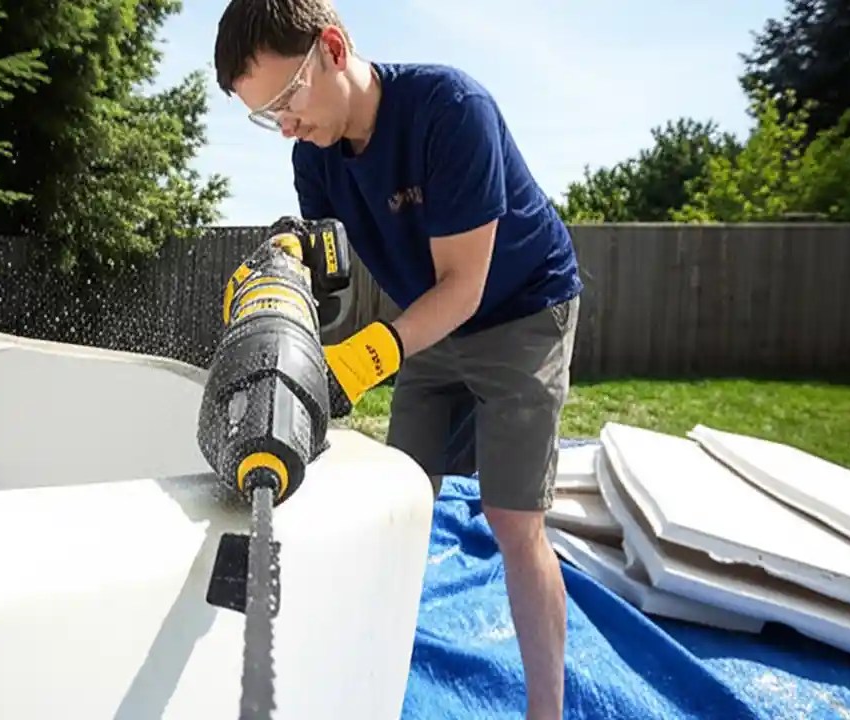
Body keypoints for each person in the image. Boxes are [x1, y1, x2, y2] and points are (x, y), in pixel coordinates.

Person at [213, 2, 582, 718]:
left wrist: (367, 357)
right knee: (404, 501)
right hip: (431, 318)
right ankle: (364, 669)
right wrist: (286, 269)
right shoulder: (312, 156)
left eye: (286, 99)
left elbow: (466, 287)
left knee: (511, 519)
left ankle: (547, 712)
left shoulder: (450, 111)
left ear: (333, 45)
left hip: (521, 309)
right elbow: (337, 283)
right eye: (266, 116)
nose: (284, 124)